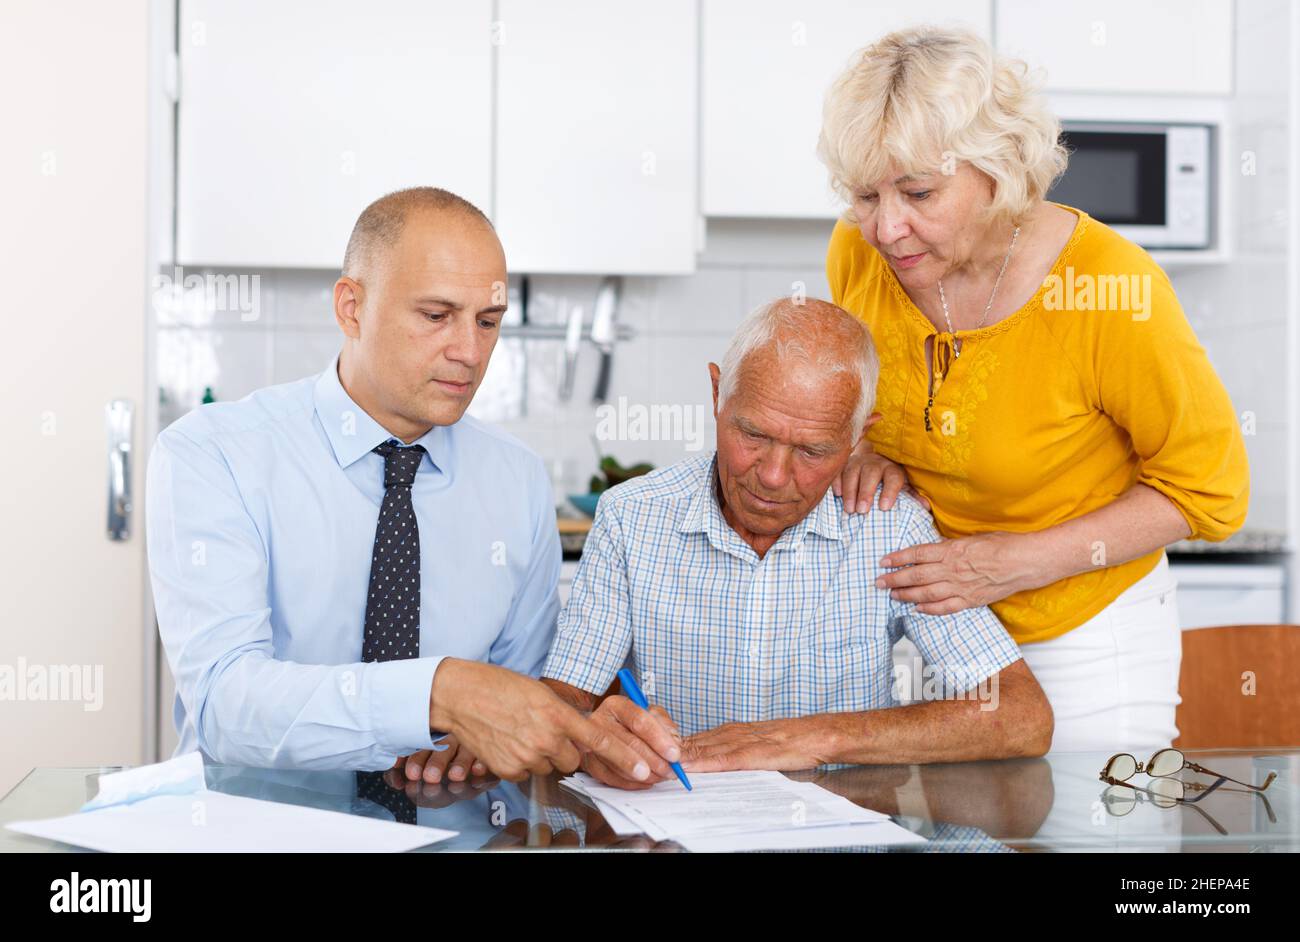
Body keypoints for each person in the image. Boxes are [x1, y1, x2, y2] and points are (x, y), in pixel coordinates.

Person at [147, 187, 666, 793]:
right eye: (435, 315)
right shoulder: (212, 454)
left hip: (454, 832)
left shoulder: (517, 479)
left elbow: (520, 698)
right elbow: (223, 704)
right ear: (351, 308)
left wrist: (568, 730)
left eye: (488, 322)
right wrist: (438, 692)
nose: (469, 352)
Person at [817, 26, 1249, 751]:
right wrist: (865, 449)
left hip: (1082, 636)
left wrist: (1008, 563)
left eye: (919, 192)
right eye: (865, 195)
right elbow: (878, 401)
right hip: (936, 632)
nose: (887, 227)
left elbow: (1208, 492)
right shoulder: (855, 256)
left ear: (999, 168)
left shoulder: (1110, 287)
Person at [541, 298, 1054, 790]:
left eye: (812, 450)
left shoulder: (888, 526)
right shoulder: (631, 516)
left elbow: (1021, 716)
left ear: (857, 439)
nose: (772, 475)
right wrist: (595, 739)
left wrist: (816, 737)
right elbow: (565, 699)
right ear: (717, 394)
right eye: (754, 435)